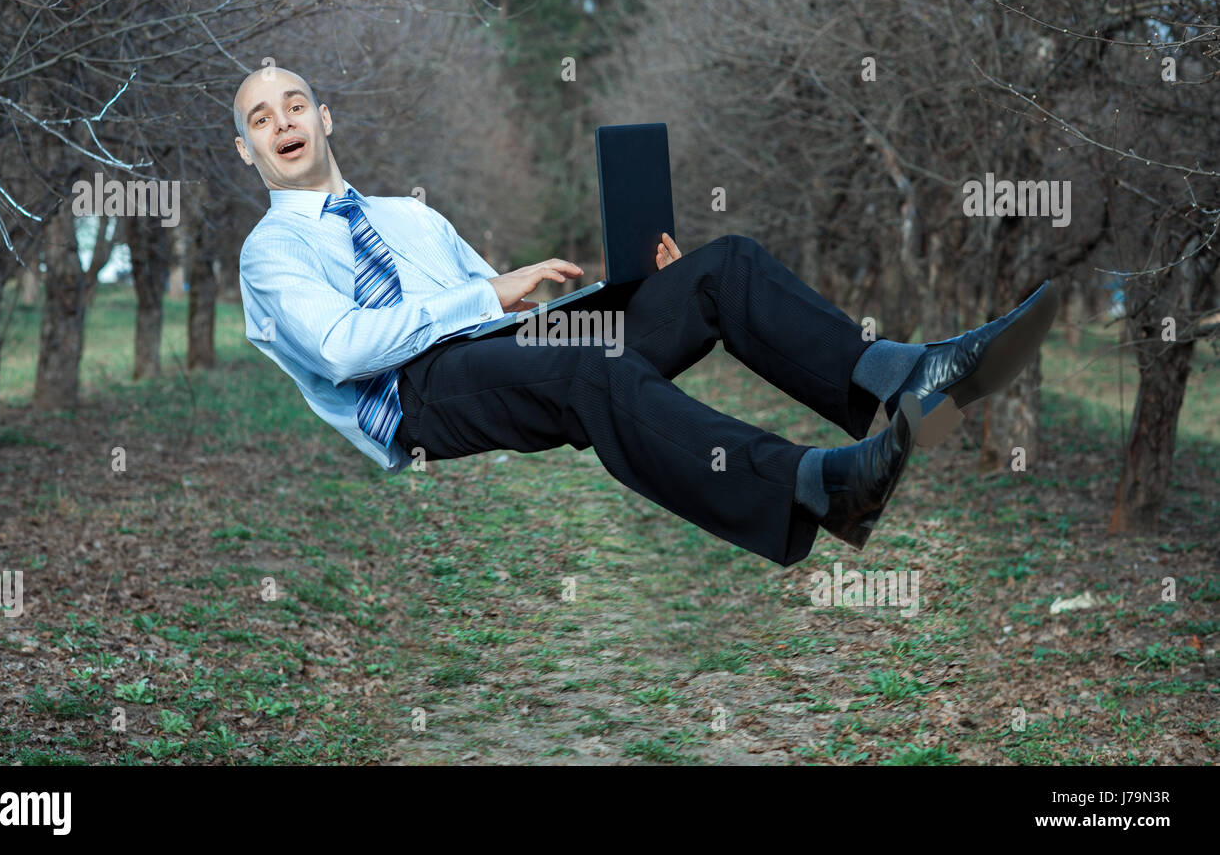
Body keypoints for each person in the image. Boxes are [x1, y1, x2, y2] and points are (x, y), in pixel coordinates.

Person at [233, 67, 1058, 568]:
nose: (284, 125)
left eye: (295, 105)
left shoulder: (408, 218)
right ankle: (817, 487)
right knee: (582, 368)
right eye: (261, 120)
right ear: (249, 151)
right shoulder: (270, 254)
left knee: (718, 269)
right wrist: (490, 294)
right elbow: (345, 351)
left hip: (487, 357)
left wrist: (642, 295)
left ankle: (911, 380)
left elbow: (510, 331)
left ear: (325, 118)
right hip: (412, 399)